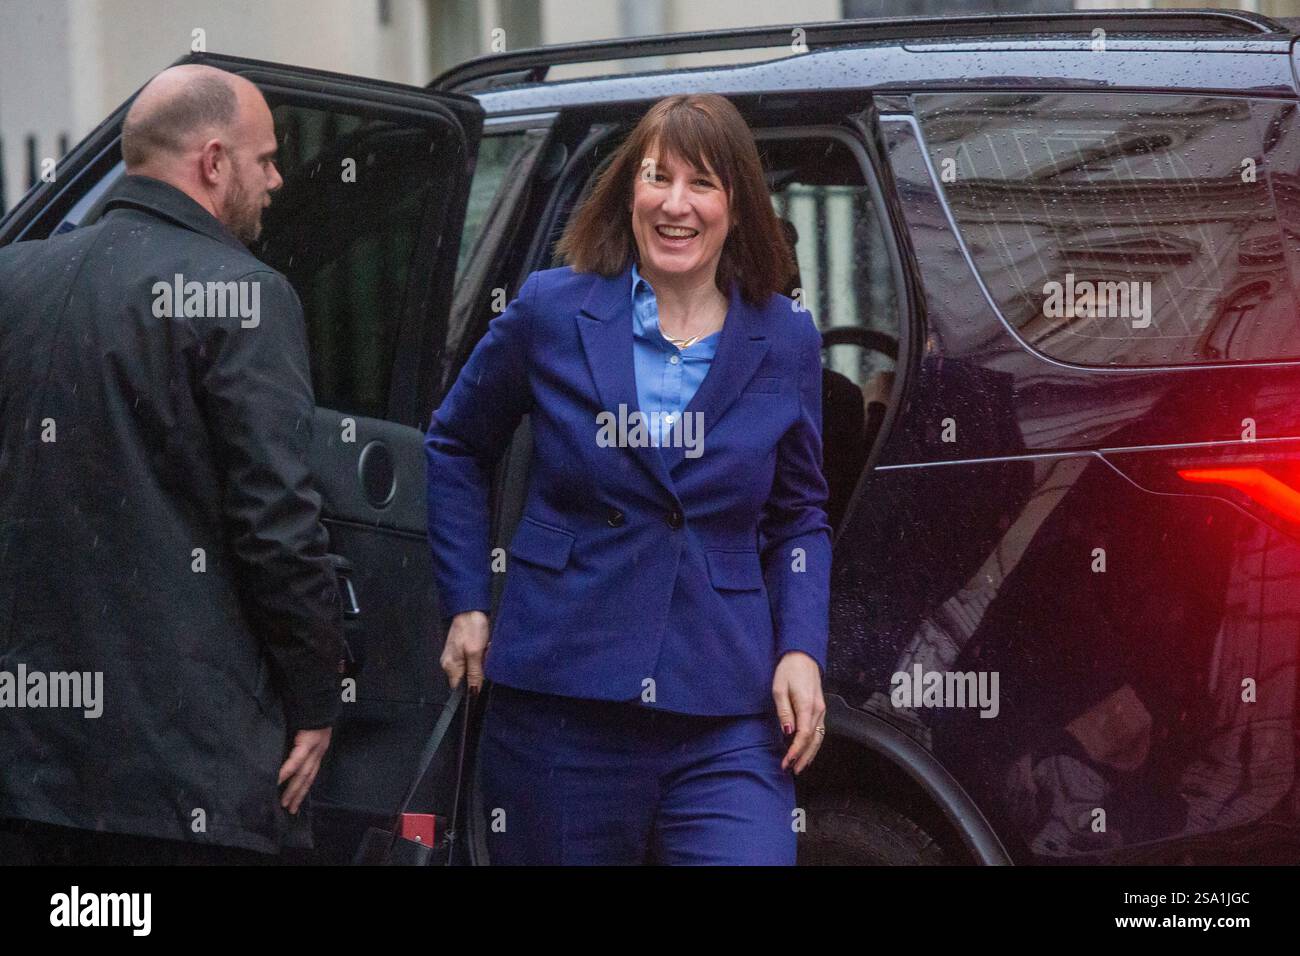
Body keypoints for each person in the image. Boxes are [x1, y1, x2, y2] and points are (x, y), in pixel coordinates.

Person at [425, 93, 831, 865]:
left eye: (703, 183)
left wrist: (801, 647)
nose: (676, 204)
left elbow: (800, 512)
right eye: (658, 178)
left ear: (739, 206)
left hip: (725, 707)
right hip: (561, 702)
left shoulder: (784, 336)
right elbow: (453, 443)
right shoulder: (551, 309)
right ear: (629, 193)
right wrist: (468, 601)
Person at [0, 64, 343, 864]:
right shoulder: (243, 295)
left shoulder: (13, 279)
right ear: (214, 162)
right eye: (266, 160)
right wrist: (317, 699)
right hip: (184, 776)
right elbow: (277, 527)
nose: (278, 179)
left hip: (25, 772)